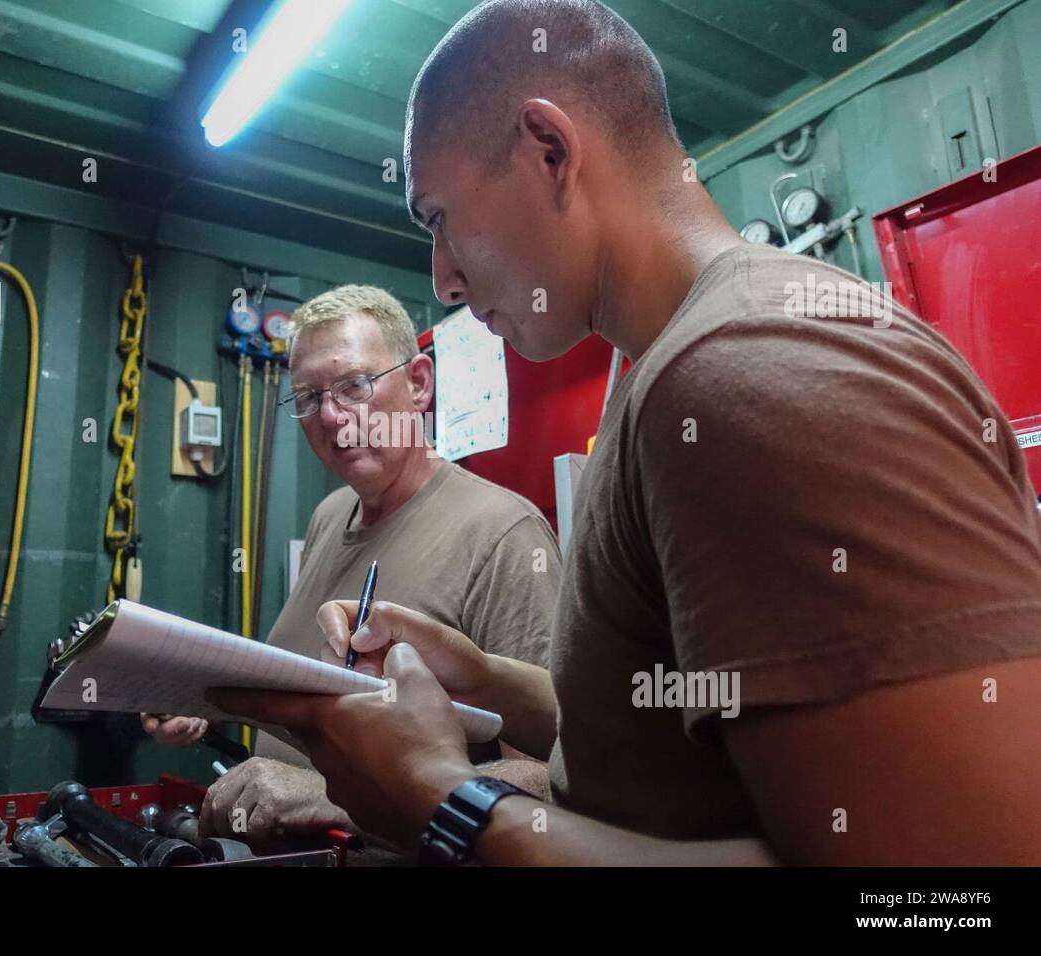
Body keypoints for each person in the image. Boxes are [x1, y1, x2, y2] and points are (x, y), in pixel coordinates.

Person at [210, 0, 1041, 865]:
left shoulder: (747, 368)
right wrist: (487, 679)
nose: (444, 280)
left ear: (550, 152)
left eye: (438, 220)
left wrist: (439, 799)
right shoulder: (666, 380)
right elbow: (669, 740)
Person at [145, 284, 560, 851]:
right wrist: (205, 706)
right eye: (309, 398)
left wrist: (328, 797)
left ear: (418, 384)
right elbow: (323, 707)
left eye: (353, 385)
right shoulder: (329, 516)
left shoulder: (503, 533)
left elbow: (551, 781)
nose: (332, 416)